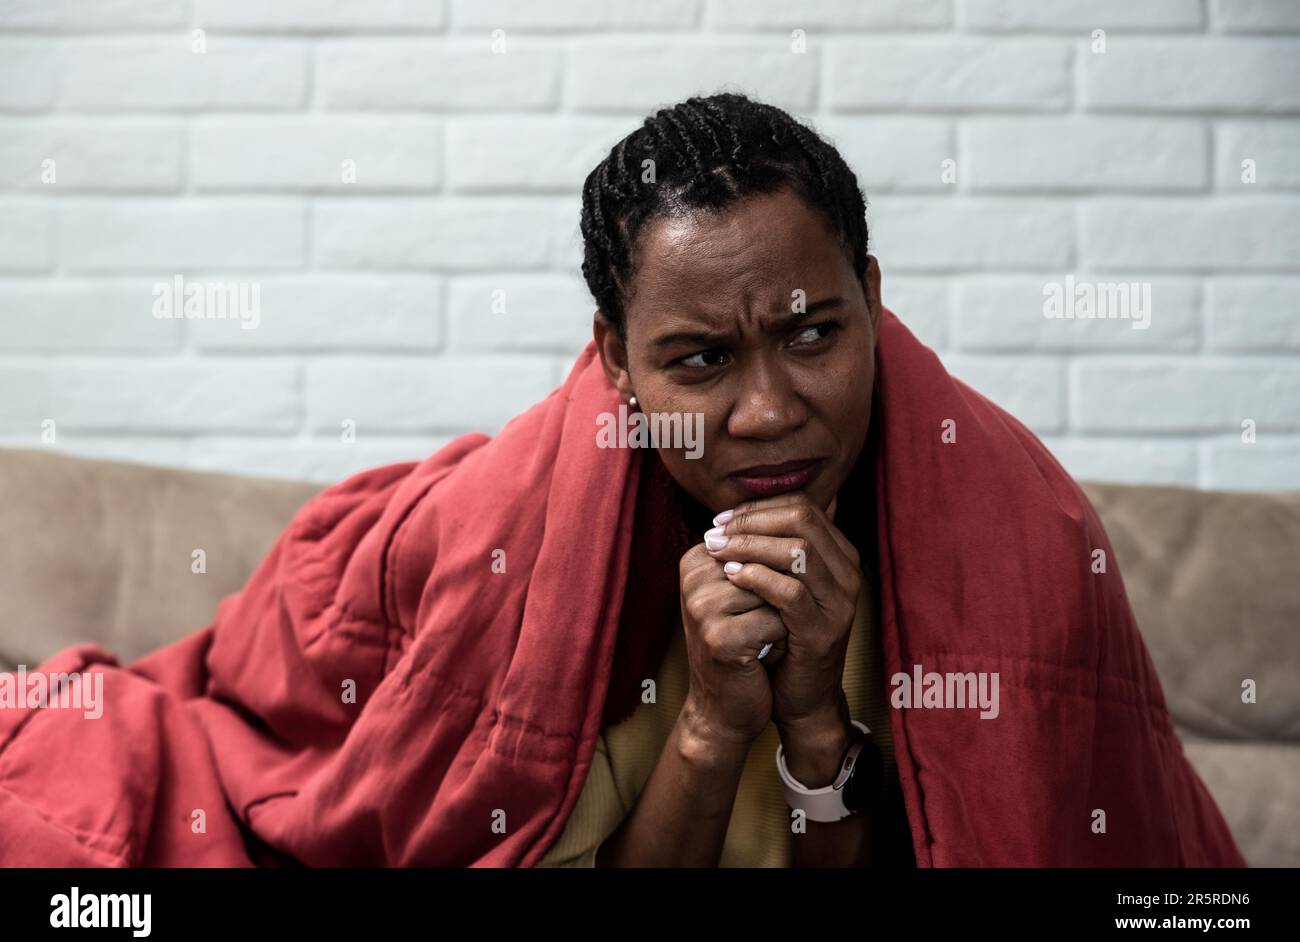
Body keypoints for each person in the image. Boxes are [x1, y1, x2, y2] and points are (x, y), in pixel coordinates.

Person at [0, 93, 1244, 868]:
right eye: (699, 360)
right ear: (616, 363)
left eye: (813, 332)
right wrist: (712, 723)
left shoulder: (1023, 531)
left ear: (874, 299)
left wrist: (817, 724)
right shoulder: (528, 535)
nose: (767, 411)